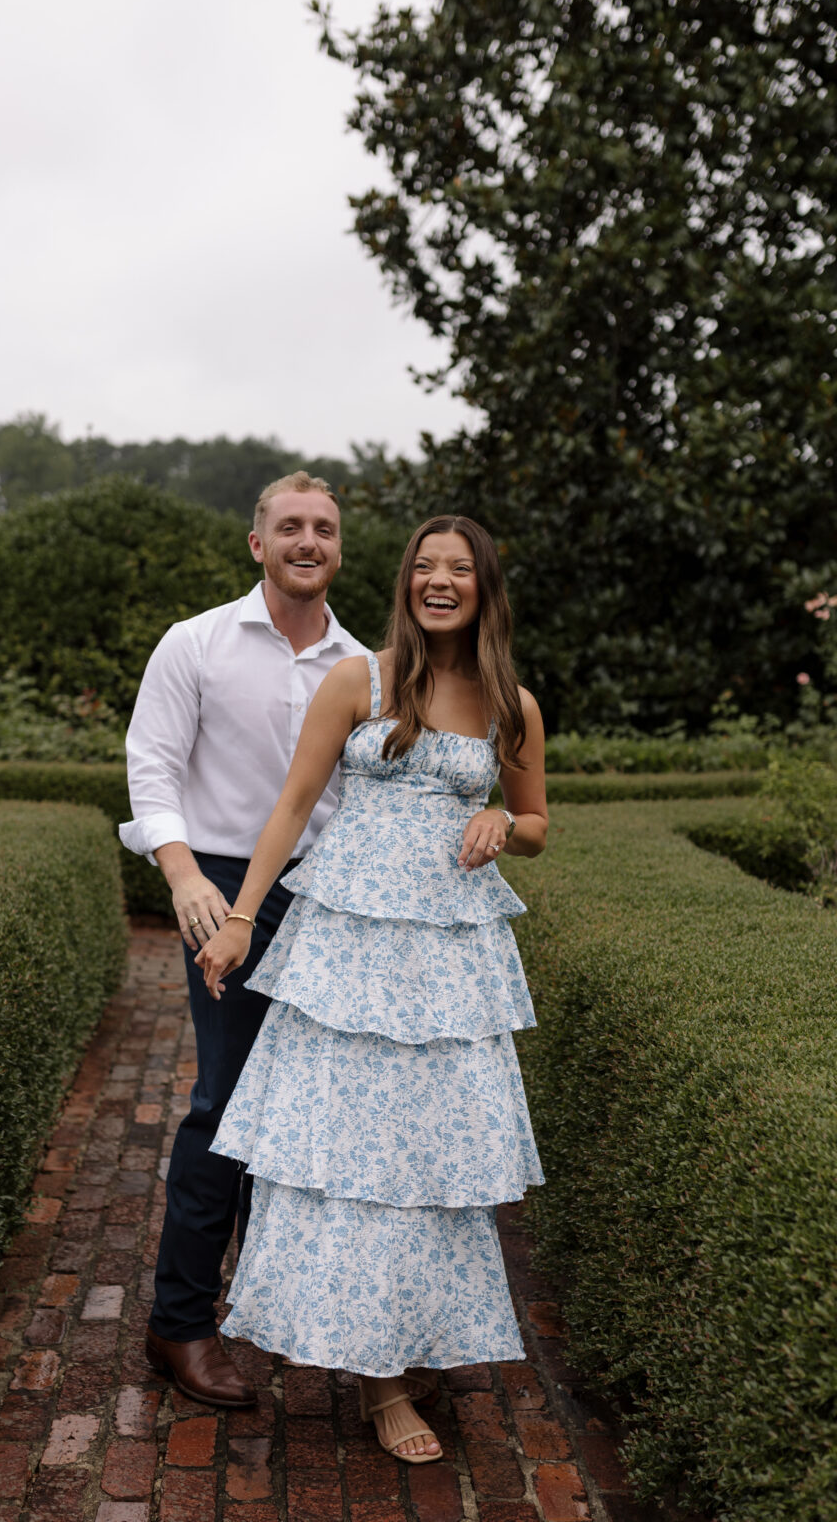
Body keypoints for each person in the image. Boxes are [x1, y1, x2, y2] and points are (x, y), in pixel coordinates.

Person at [195, 513, 548, 1462]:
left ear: (483, 587)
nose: (440, 581)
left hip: (449, 961)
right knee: (352, 1153)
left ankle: (407, 1333)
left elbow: (537, 819)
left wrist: (502, 827)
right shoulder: (361, 680)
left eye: (459, 569)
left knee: (429, 1157)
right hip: (348, 951)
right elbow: (294, 805)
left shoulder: (512, 703)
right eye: (425, 567)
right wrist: (241, 917)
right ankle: (381, 1384)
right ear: (406, 581)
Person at [118, 472, 364, 1407]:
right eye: (290, 526)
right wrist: (185, 877)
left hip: (325, 895)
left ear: (339, 549)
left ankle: (276, 1310)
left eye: (324, 529)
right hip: (220, 884)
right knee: (227, 1104)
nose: (308, 541)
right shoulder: (197, 642)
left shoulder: (365, 665)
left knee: (303, 1115)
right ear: (257, 543)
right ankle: (179, 1324)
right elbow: (152, 767)